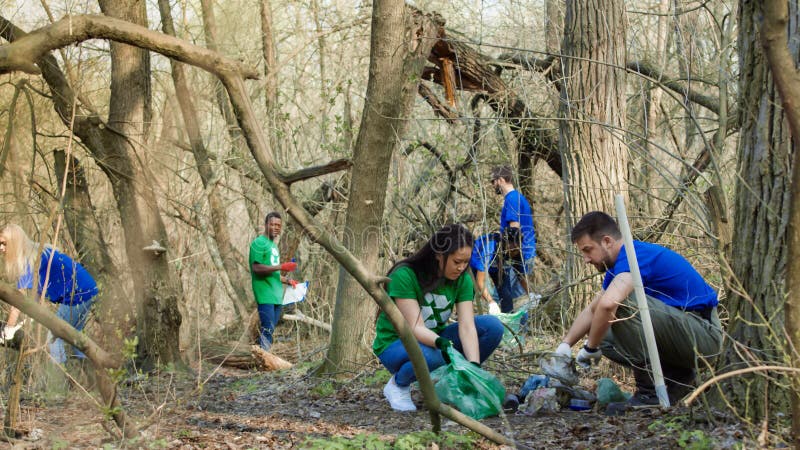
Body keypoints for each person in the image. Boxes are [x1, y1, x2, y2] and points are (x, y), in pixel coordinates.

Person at [554, 211, 722, 404]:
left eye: (588, 250)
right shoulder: (618, 267)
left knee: (620, 303)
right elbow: (594, 309)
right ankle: (680, 378)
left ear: (607, 241)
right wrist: (565, 346)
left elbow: (609, 304)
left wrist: (590, 348)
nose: (586, 259)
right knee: (605, 337)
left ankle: (648, 394)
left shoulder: (636, 256)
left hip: (704, 336)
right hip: (685, 336)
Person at [373, 224, 504, 412]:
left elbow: (467, 327)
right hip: (396, 344)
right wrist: (441, 343)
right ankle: (398, 385)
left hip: (433, 338)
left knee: (492, 327)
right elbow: (415, 327)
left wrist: (473, 367)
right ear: (439, 255)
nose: (461, 268)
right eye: (457, 261)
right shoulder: (405, 275)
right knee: (435, 354)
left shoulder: (463, 279)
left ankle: (456, 384)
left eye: (466, 262)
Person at [0, 224, 98, 364]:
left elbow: (17, 301)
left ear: (14, 242)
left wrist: (8, 330)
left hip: (79, 294)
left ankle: (59, 379)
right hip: (87, 289)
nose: (1, 248)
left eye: (3, 243)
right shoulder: (36, 252)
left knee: (54, 336)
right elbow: (37, 293)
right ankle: (91, 374)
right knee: (76, 339)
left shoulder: (28, 262)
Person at [249, 212, 297, 351]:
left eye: (278, 225)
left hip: (276, 295)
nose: (276, 228)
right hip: (265, 293)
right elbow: (256, 268)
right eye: (273, 224)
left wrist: (287, 280)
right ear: (266, 225)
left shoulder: (273, 246)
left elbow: (273, 272)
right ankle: (262, 362)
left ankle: (259, 355)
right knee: (267, 329)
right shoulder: (259, 243)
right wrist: (281, 266)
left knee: (270, 330)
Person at [490, 166, 536, 298]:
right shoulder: (517, 197)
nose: (493, 185)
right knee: (517, 297)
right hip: (524, 253)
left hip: (519, 255)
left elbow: (514, 230)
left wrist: (509, 257)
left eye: (493, 181)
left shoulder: (512, 199)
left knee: (502, 297)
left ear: (501, 180)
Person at [470, 227, 527, 314]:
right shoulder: (489, 247)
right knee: (470, 291)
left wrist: (530, 293)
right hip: (475, 262)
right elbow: (479, 281)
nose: (515, 252)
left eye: (518, 248)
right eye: (513, 249)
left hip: (498, 267)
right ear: (506, 243)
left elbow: (521, 275)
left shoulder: (517, 250)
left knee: (506, 295)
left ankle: (508, 322)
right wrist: (491, 302)